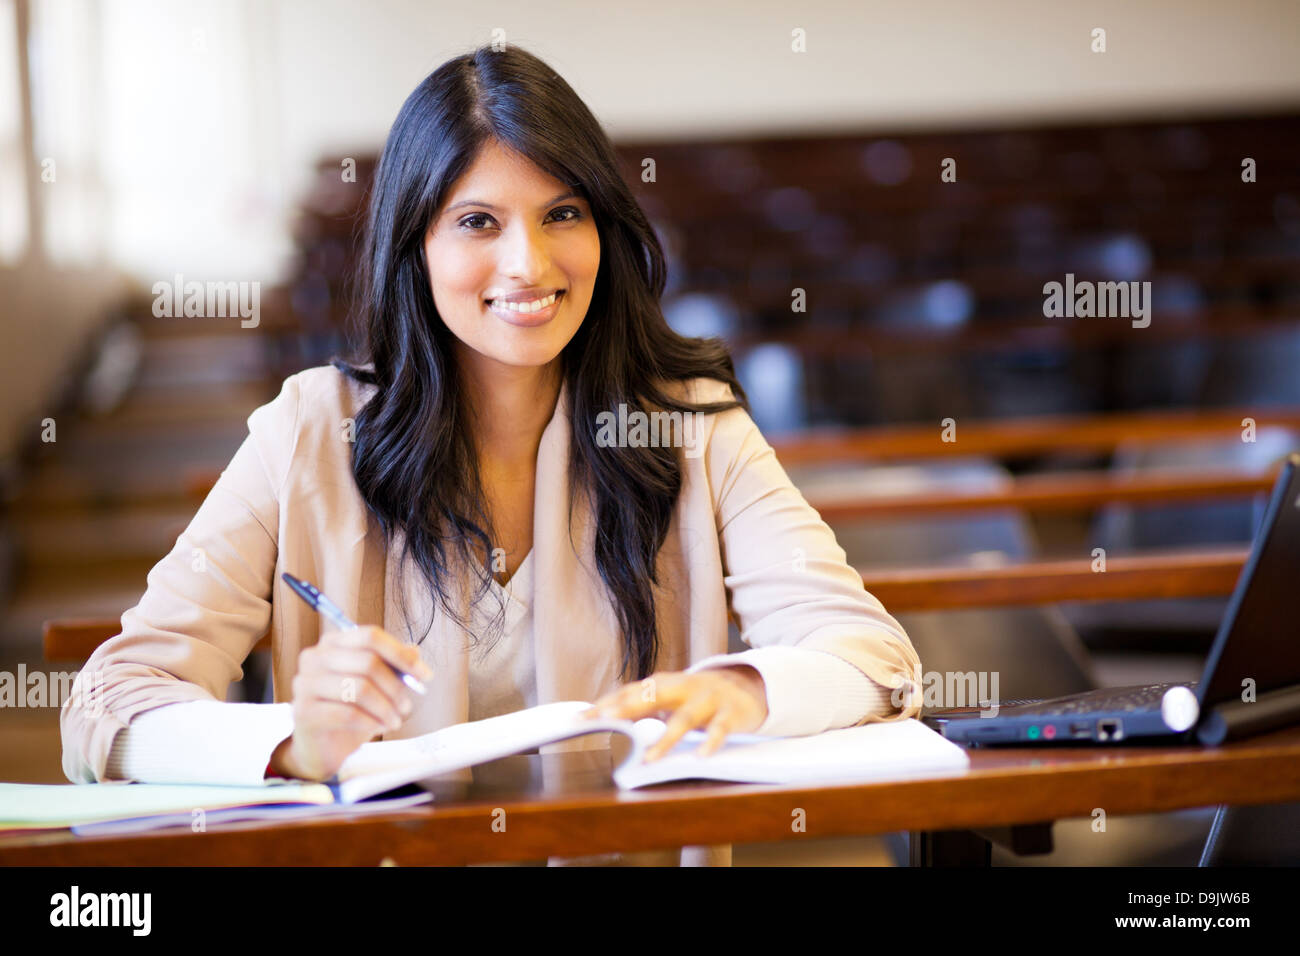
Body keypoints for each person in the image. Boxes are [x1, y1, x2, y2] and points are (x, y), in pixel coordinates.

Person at [60, 43, 923, 866]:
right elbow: (109, 704)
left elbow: (870, 657)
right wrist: (295, 741)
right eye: (478, 221)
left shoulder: (692, 427)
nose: (529, 263)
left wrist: (746, 690)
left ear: (604, 229)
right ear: (417, 245)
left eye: (562, 214)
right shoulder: (310, 432)